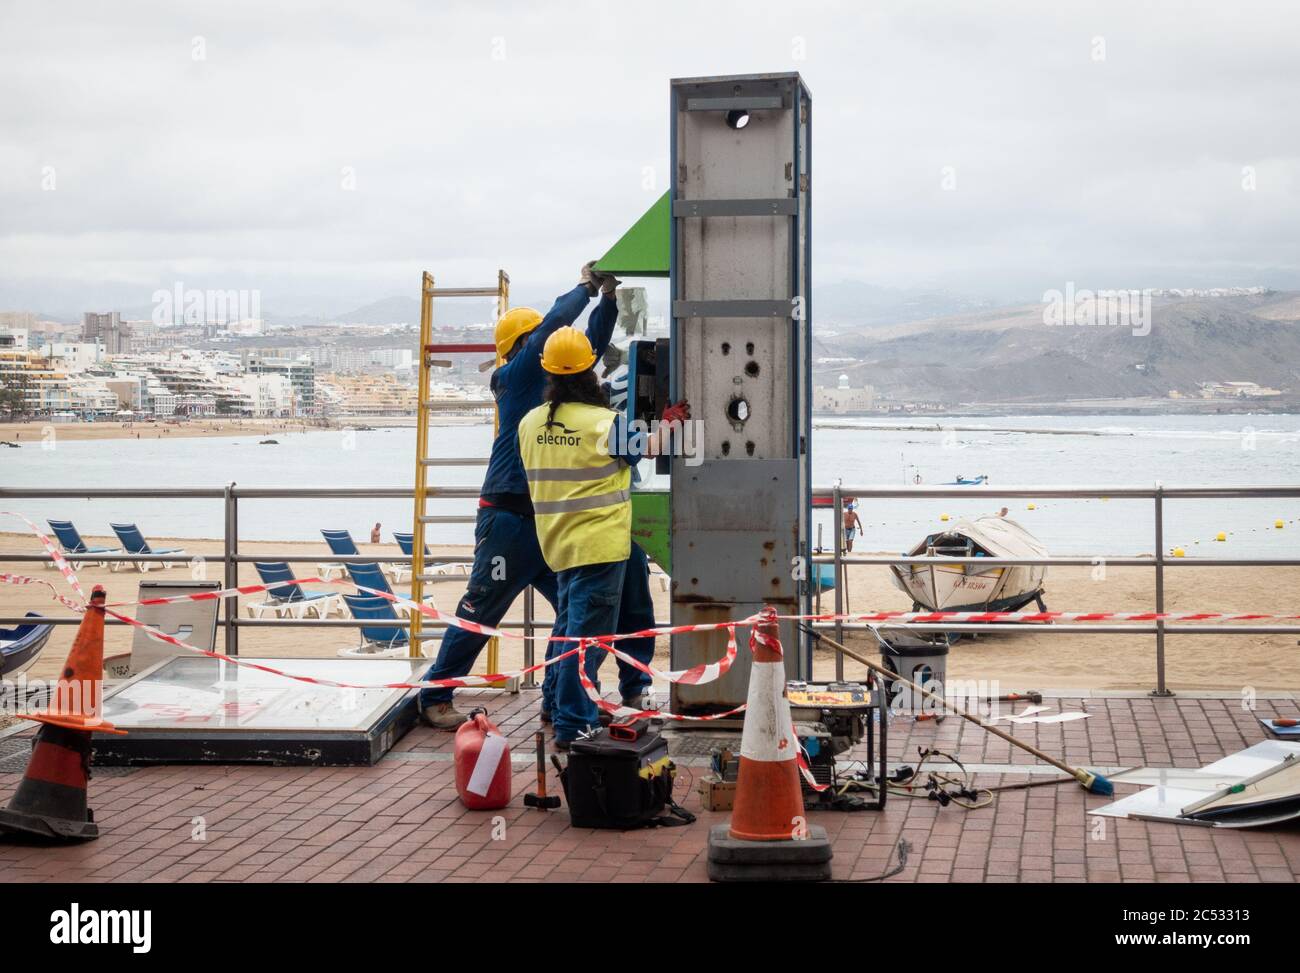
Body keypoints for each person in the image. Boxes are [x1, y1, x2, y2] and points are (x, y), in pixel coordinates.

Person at [416, 264, 621, 729]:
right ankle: (436, 695)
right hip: (509, 519)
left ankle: (559, 700)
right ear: (523, 346)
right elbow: (554, 329)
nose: (547, 347)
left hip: (546, 520)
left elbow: (582, 352)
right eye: (537, 341)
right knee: (482, 605)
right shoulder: (515, 375)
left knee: (573, 615)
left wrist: (606, 301)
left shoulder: (549, 383)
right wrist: (585, 289)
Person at [518, 326, 688, 749]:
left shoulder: (529, 424)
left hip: (558, 546)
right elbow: (647, 449)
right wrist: (669, 422)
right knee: (588, 643)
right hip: (600, 547)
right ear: (591, 372)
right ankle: (574, 725)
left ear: (549, 374)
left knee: (566, 634)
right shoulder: (604, 422)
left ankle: (554, 704)